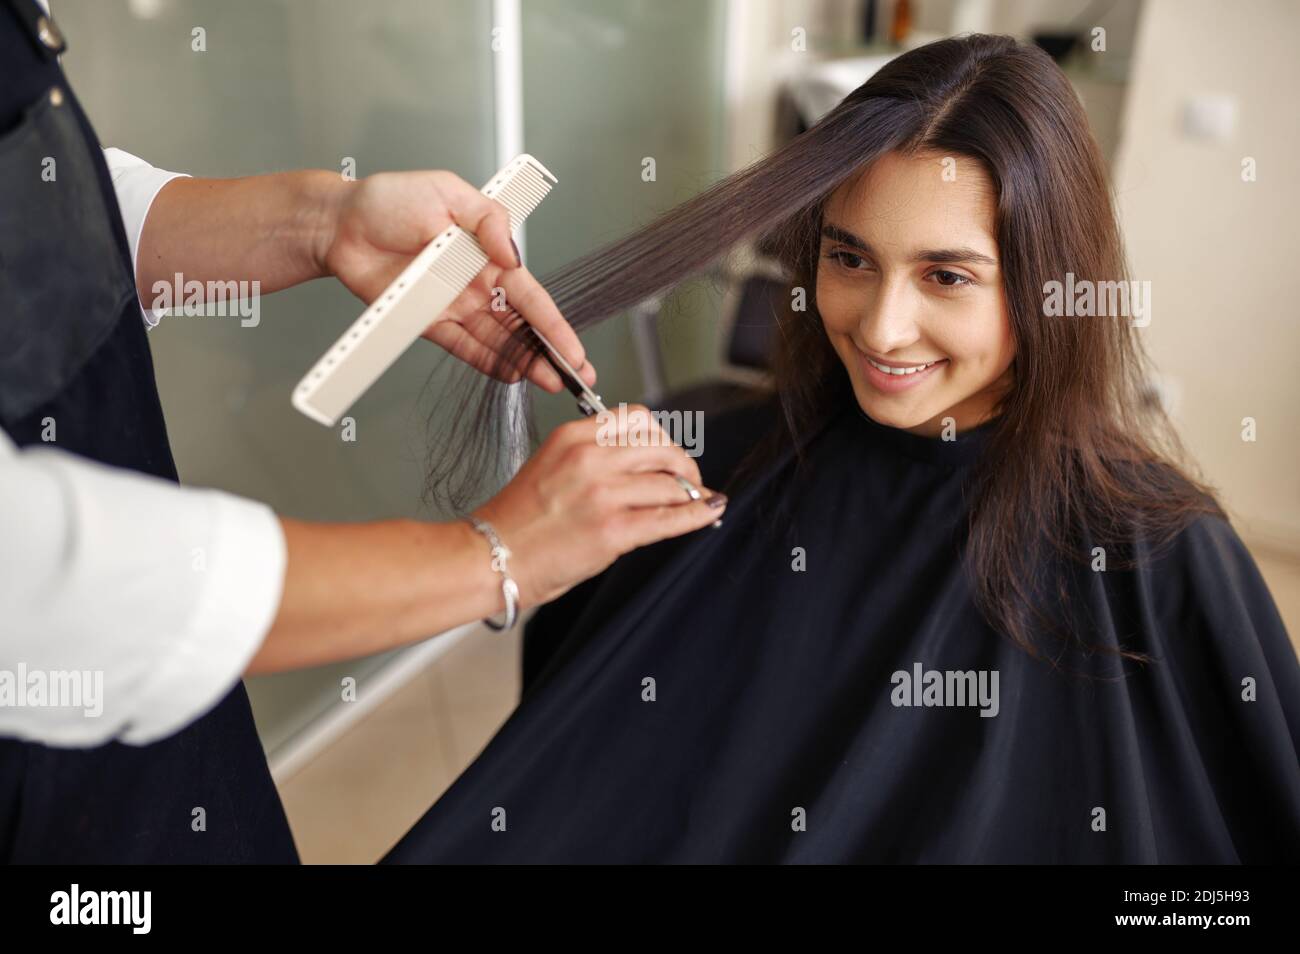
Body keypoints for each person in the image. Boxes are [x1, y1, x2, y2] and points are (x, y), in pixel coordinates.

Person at [386, 34, 1300, 863]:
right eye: (850, 258)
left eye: (947, 276)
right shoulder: (708, 475)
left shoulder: (1161, 553)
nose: (881, 328)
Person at [0, 0, 725, 863]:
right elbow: (41, 578)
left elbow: (48, 204)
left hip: (168, 737)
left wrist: (327, 220)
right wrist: (496, 554)